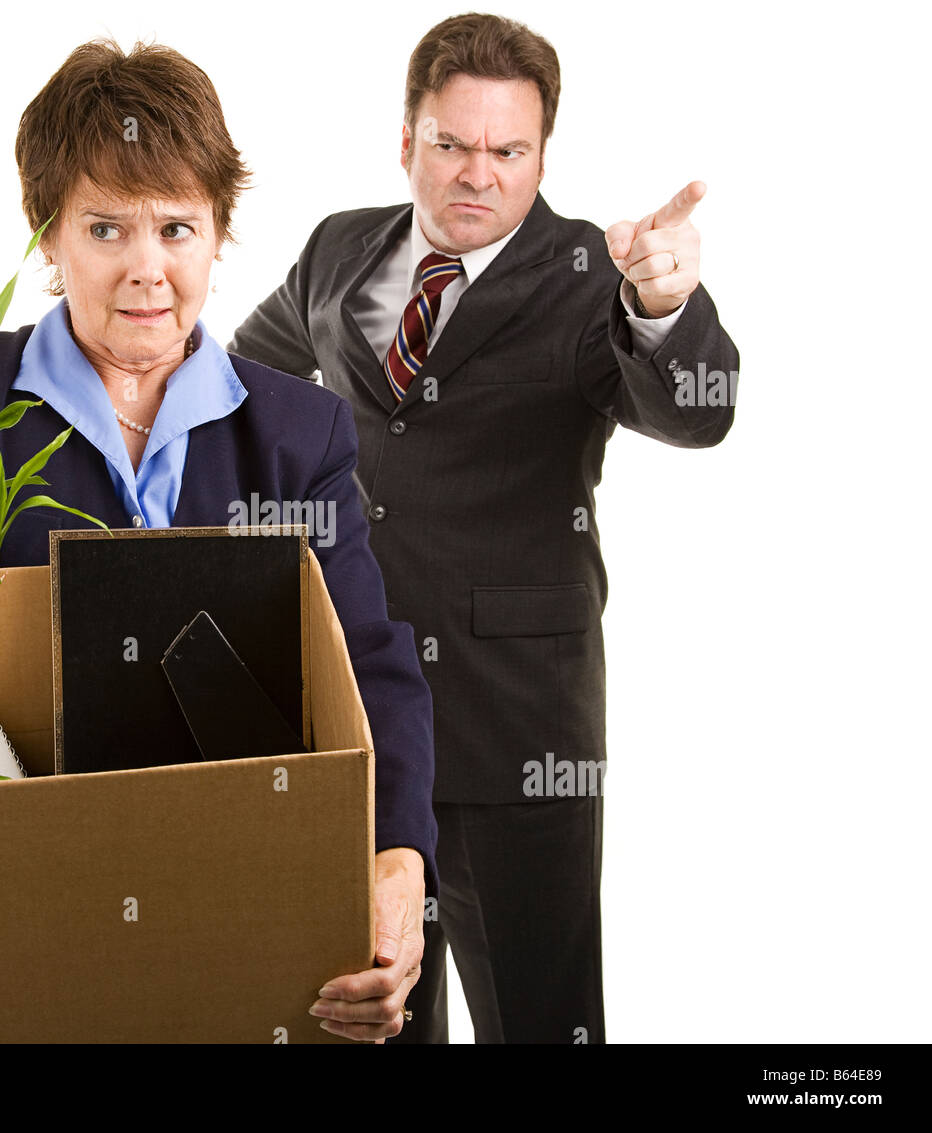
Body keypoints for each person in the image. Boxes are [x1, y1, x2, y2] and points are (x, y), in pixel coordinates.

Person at [0, 38, 437, 1044]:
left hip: (231, 919)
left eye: (177, 228)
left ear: (219, 234)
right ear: (46, 234)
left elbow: (370, 661)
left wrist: (397, 859)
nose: (148, 269)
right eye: (107, 227)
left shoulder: (297, 432)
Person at [228, 12, 739, 1043]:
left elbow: (700, 410)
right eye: (451, 144)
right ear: (406, 139)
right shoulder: (338, 247)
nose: (477, 174)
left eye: (508, 151)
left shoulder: (597, 275)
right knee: (371, 1016)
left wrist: (663, 305)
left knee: (537, 1021)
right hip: (355, 723)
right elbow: (248, 385)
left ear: (542, 155)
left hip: (516, 732)